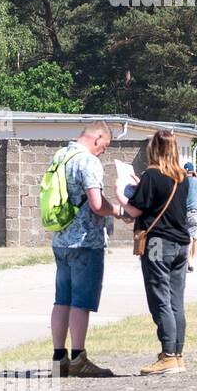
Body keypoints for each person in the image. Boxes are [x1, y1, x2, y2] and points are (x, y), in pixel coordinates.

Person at [46, 121, 119, 378]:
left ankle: (59, 358)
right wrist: (117, 211)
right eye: (105, 146)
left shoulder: (60, 156)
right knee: (81, 301)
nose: (103, 151)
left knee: (61, 299)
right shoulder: (88, 162)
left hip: (61, 240)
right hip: (86, 241)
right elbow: (97, 204)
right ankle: (78, 357)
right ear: (98, 137)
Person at [120, 130, 193, 376]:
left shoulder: (151, 174)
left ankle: (168, 355)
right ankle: (178, 354)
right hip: (182, 244)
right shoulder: (182, 177)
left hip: (158, 244)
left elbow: (136, 210)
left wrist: (121, 193)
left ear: (154, 148)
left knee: (159, 298)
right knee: (176, 300)